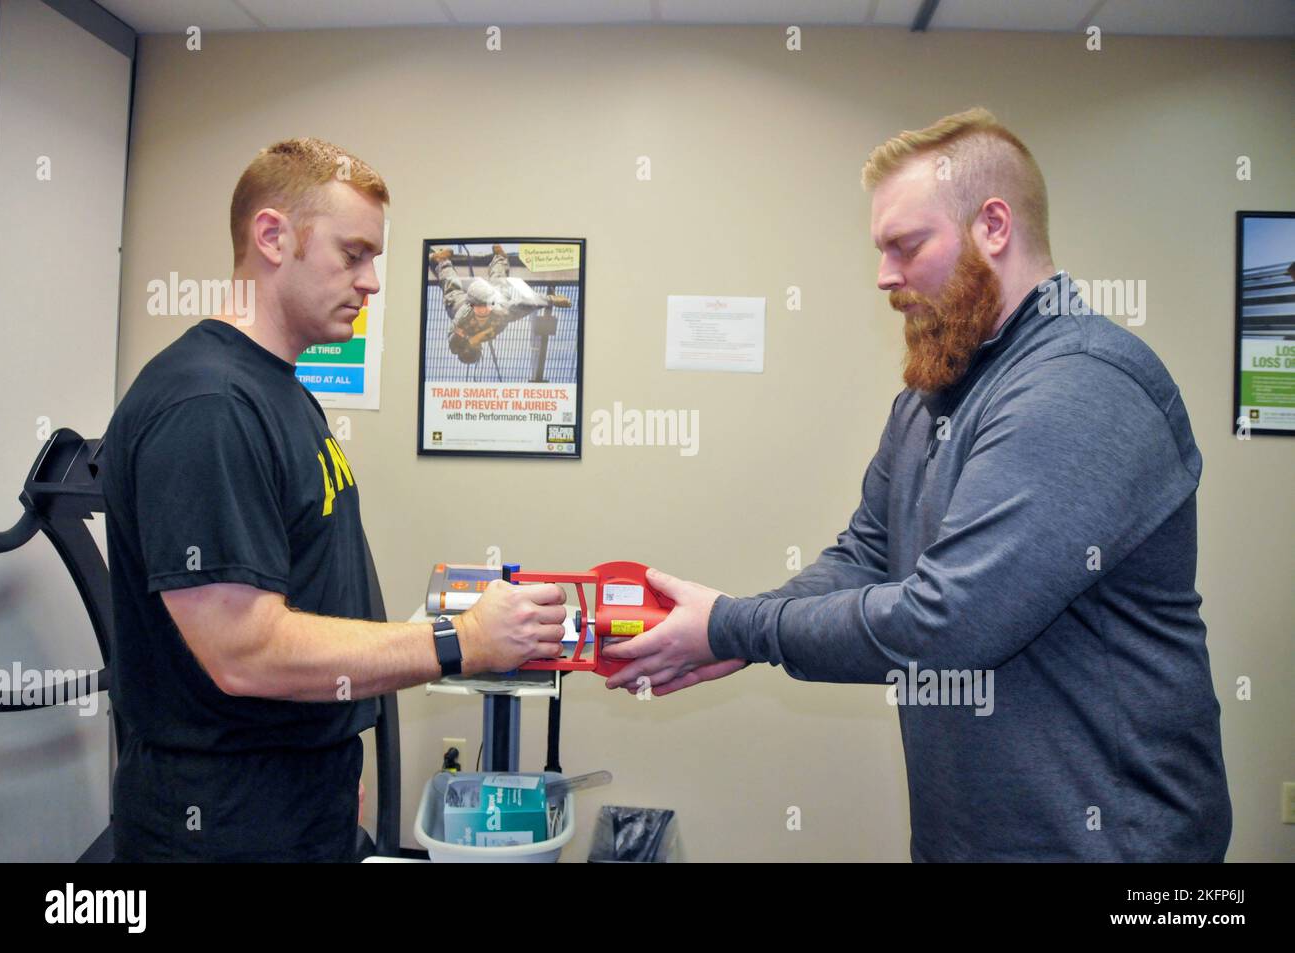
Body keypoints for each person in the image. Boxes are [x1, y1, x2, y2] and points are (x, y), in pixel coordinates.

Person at [603, 108, 1232, 862]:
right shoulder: (933, 394)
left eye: (906, 245)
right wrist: (736, 626)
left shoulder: (1083, 385)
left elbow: (949, 622)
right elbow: (864, 556)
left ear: (992, 226)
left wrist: (737, 626)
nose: (884, 277)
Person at [103, 138, 567, 862]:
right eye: (353, 254)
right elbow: (243, 651)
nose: (373, 281)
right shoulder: (208, 404)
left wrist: (335, 749)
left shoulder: (279, 390)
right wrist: (462, 642)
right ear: (272, 237)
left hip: (299, 794)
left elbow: (307, 590)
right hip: (222, 822)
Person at [429, 244, 571, 364]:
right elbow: (523, 307)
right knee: (500, 288)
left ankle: (442, 261)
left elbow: (456, 332)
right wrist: (550, 300)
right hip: (492, 305)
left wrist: (471, 339)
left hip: (461, 306)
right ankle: (500, 258)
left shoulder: (456, 341)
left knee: (452, 290)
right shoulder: (495, 324)